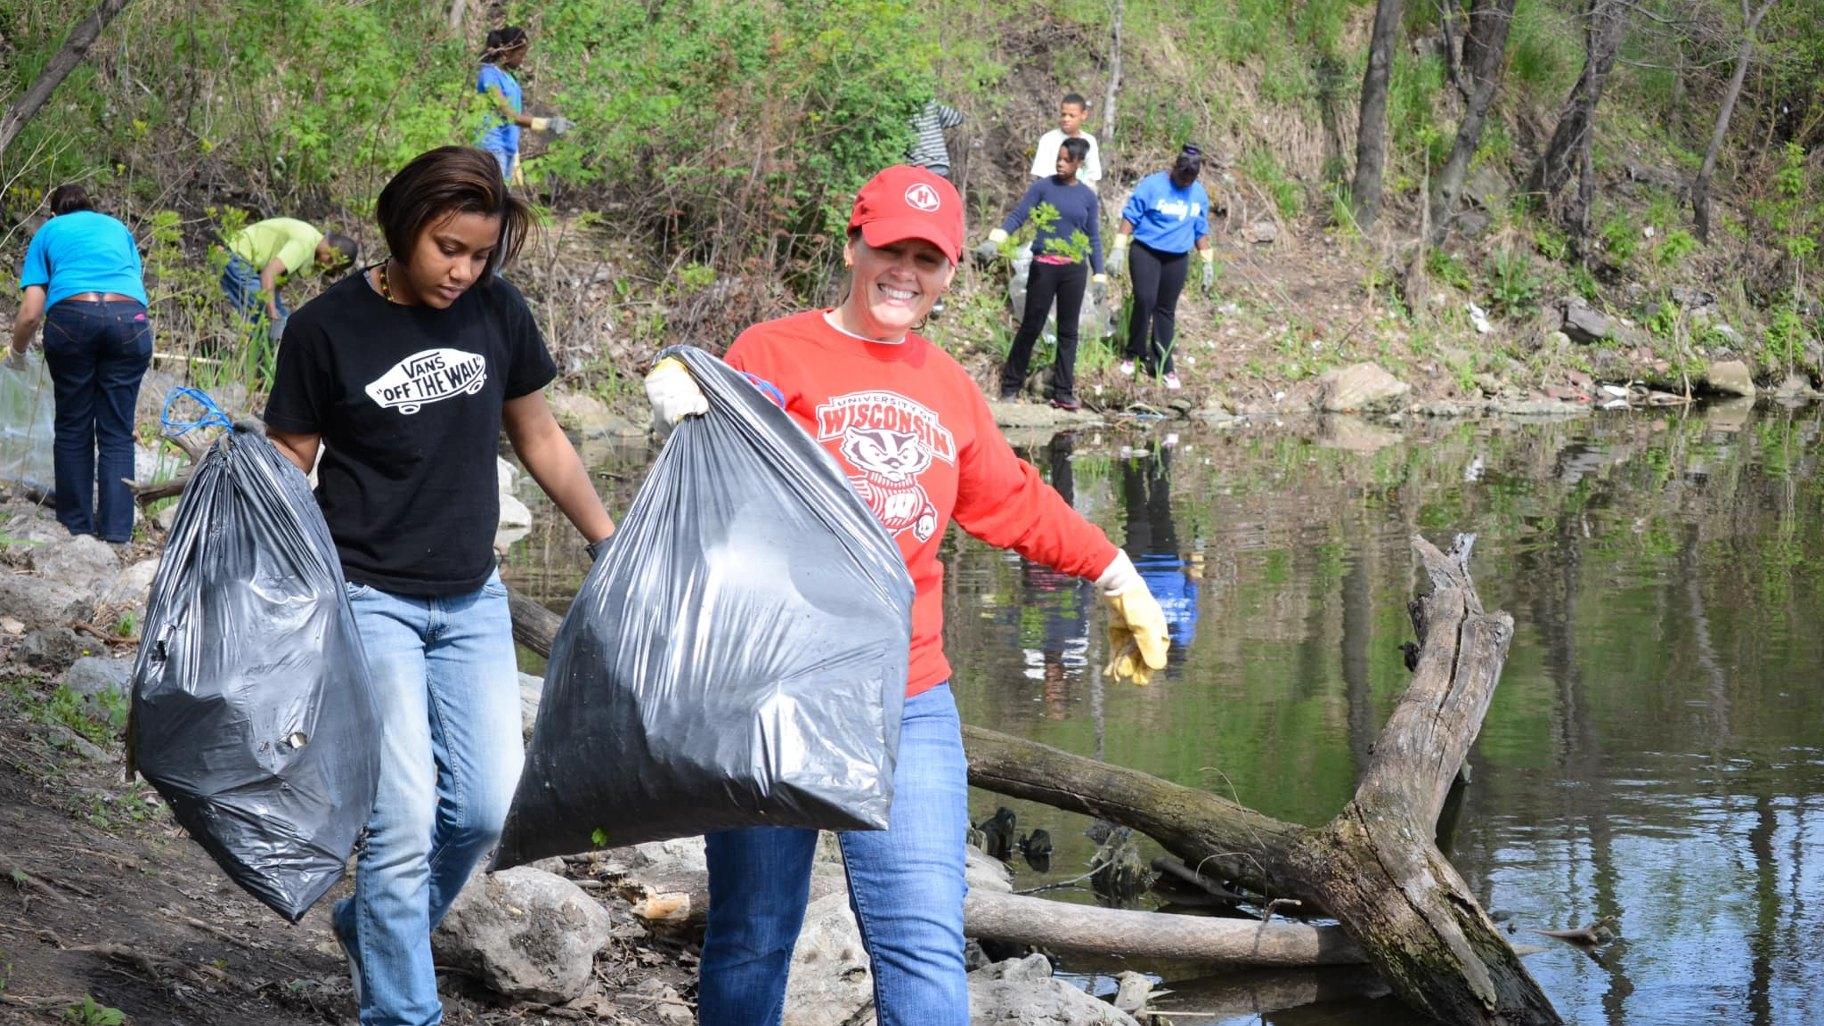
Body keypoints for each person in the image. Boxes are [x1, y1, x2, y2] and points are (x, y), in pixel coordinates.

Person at [643, 164, 1170, 1026]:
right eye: (891, 248)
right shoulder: (776, 351)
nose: (906, 272)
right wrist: (691, 384)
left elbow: (1014, 501)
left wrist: (1114, 570)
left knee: (923, 942)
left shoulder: (949, 387)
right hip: (772, 693)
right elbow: (730, 423)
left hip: (908, 697)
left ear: (951, 272)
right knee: (753, 932)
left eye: (929, 258)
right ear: (854, 246)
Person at [263, 146, 614, 1026]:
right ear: (402, 228)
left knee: (485, 810)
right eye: (447, 248)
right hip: (366, 599)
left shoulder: (497, 312)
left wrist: (609, 539)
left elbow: (540, 438)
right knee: (403, 823)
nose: (463, 270)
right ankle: (403, 1012)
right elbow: (286, 467)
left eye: (480, 254)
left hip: (471, 598)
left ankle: (376, 932)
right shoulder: (325, 329)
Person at [8, 185, 152, 543]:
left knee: (74, 426)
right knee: (118, 432)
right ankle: (118, 534)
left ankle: (77, 530)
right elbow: (132, 286)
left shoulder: (49, 232)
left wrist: (17, 354)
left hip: (73, 319)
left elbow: (29, 315)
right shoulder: (118, 229)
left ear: (54, 212)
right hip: (129, 321)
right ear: (92, 208)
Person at [976, 137, 1104, 409]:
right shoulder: (1043, 188)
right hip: (1044, 266)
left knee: (1069, 332)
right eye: (1058, 157)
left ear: (1079, 163)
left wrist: (1100, 275)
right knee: (1032, 325)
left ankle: (1063, 392)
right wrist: (994, 240)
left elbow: (1093, 238)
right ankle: (1010, 386)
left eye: (1067, 159)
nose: (1060, 162)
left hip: (1074, 269)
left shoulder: (1087, 197)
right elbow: (1019, 215)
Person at [1107, 145, 1215, 390]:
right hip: (1146, 250)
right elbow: (1131, 216)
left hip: (1177, 257)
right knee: (1145, 300)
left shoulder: (1198, 194)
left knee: (1166, 310)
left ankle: (1163, 364)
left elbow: (1201, 229)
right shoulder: (1153, 185)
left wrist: (1208, 262)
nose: (1185, 182)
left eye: (1190, 179)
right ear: (1174, 168)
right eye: (1182, 177)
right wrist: (1118, 248)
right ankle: (1133, 353)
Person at [220, 217, 356, 344]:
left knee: (287, 325)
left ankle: (270, 360)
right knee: (264, 312)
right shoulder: (305, 243)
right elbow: (268, 274)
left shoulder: (313, 251)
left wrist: (279, 314)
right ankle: (259, 361)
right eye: (335, 267)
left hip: (252, 268)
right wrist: (273, 316)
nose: (330, 270)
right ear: (332, 256)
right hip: (234, 256)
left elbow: (280, 280)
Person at [476, 26, 574, 185]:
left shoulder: (510, 77)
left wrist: (515, 156)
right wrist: (547, 123)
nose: (522, 59)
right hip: (491, 146)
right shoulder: (489, 75)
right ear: (507, 52)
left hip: (508, 147)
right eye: (520, 55)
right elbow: (508, 114)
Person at [1029, 92, 1102, 190]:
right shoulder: (1048, 140)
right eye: (1063, 114)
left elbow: (1092, 176)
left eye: (1072, 115)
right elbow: (1041, 177)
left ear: (1083, 115)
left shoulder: (1090, 141)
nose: (1066, 119)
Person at [906, 98, 965, 179]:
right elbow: (957, 118)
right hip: (941, 163)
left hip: (919, 163)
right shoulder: (930, 104)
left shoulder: (902, 109)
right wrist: (935, 123)